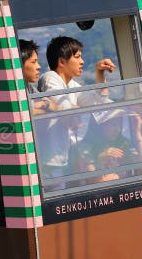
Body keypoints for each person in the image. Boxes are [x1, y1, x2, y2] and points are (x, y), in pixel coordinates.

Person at [35, 36, 116, 179]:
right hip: (49, 163)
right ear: (61, 61)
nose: (82, 61)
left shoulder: (71, 85)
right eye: (77, 57)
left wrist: (100, 73)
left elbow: (98, 102)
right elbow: (65, 107)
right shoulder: (50, 77)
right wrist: (75, 108)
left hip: (62, 159)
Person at [19, 39, 55, 115]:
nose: (39, 66)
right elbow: (23, 114)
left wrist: (44, 104)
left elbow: (54, 105)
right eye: (33, 62)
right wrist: (43, 109)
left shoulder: (29, 87)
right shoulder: (13, 90)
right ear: (19, 65)